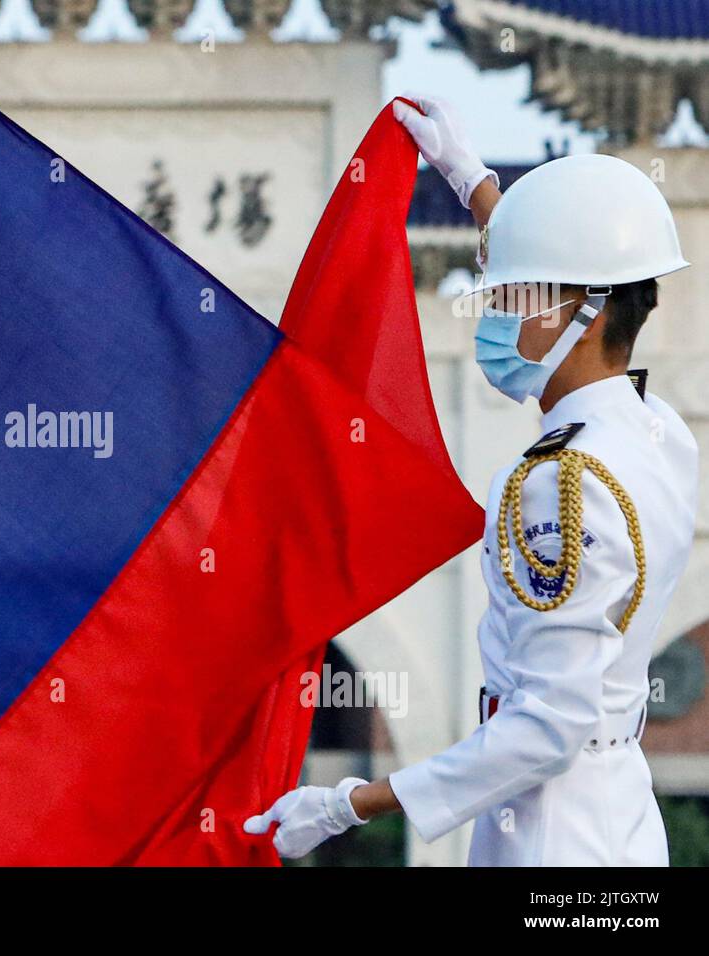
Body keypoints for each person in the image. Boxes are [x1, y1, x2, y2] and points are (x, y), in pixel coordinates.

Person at [244, 95, 699, 866]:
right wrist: (478, 185)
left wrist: (349, 802)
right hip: (618, 819)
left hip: (550, 843)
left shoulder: (561, 485)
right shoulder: (660, 434)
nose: (490, 309)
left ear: (578, 315)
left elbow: (545, 730)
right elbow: (570, 269)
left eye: (508, 296)